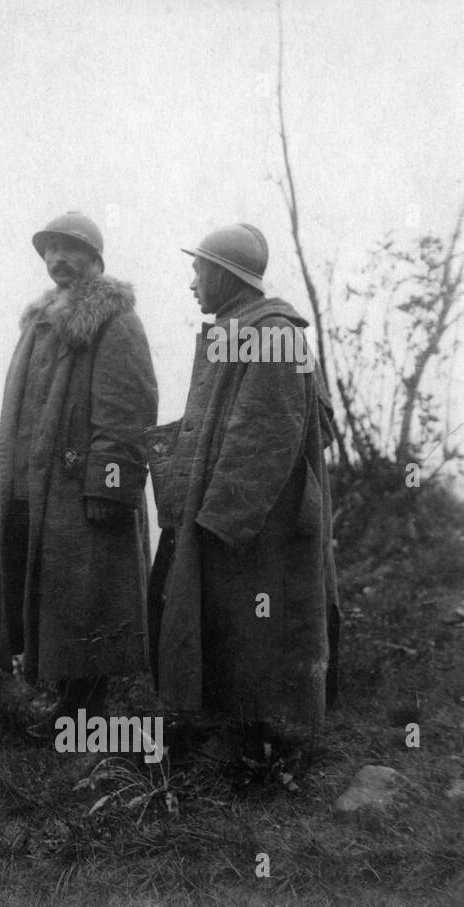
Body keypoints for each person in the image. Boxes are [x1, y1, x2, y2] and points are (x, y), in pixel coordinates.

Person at [153, 224, 338, 757]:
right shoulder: (244, 329)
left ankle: (257, 744)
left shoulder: (272, 333)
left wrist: (223, 518)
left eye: (198, 270)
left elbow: (265, 433)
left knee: (257, 622)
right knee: (235, 621)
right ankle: (233, 729)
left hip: (259, 522)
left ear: (224, 274)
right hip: (239, 514)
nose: (192, 283)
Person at [0, 211, 158, 740]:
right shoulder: (40, 321)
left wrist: (110, 481)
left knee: (88, 598)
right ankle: (67, 704)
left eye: (70, 249)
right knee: (53, 596)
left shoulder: (114, 321)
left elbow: (129, 407)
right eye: (50, 251)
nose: (57, 259)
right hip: (37, 486)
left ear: (96, 259)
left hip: (83, 489)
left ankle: (89, 714)